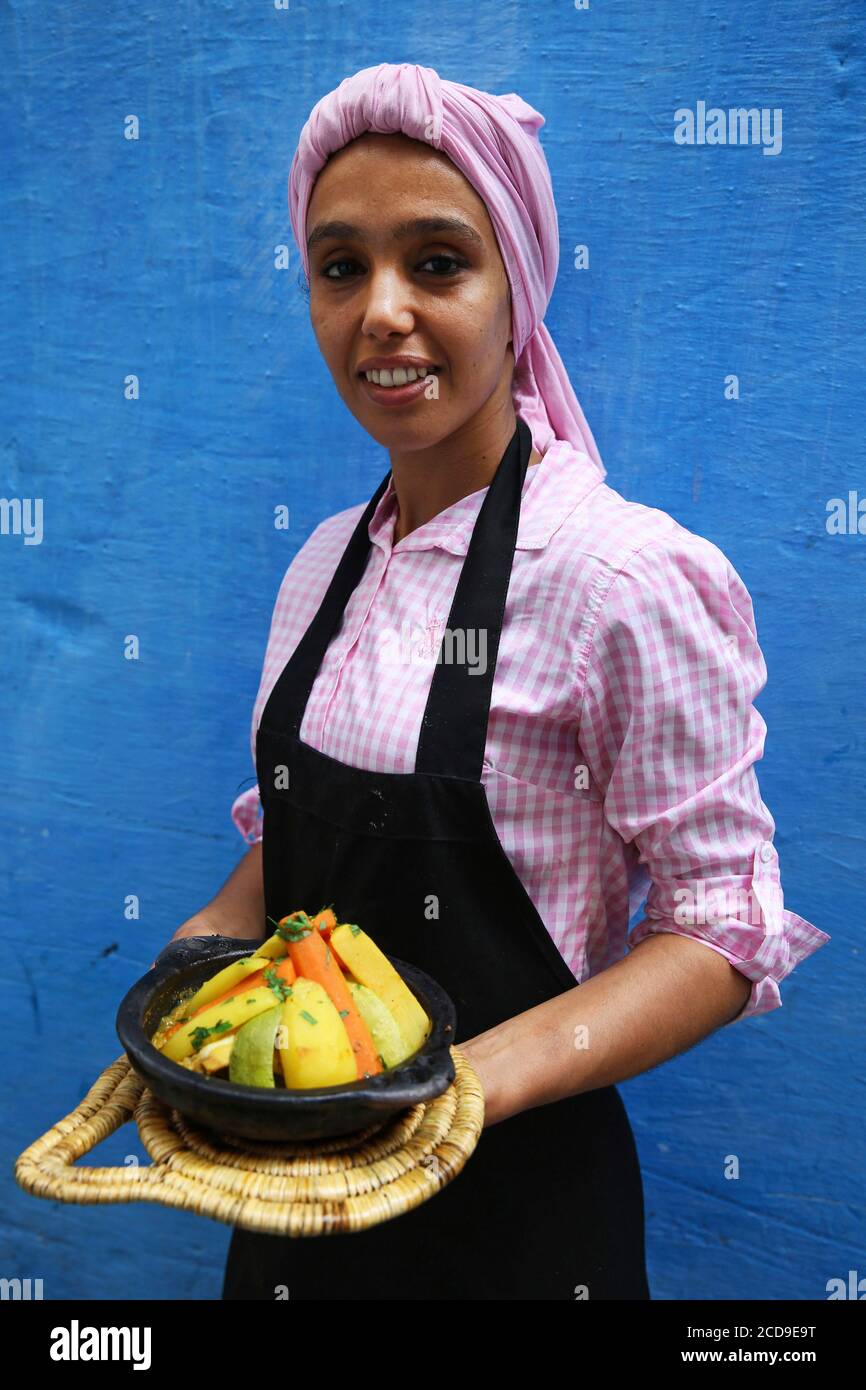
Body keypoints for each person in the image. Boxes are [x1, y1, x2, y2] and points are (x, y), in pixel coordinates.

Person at [165, 63, 829, 1300]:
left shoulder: (620, 578)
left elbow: (720, 930)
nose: (380, 312)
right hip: (291, 1210)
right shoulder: (320, 568)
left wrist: (458, 1092)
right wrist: (202, 957)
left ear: (514, 284)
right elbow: (308, 844)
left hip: (512, 1229)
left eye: (435, 262)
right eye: (338, 265)